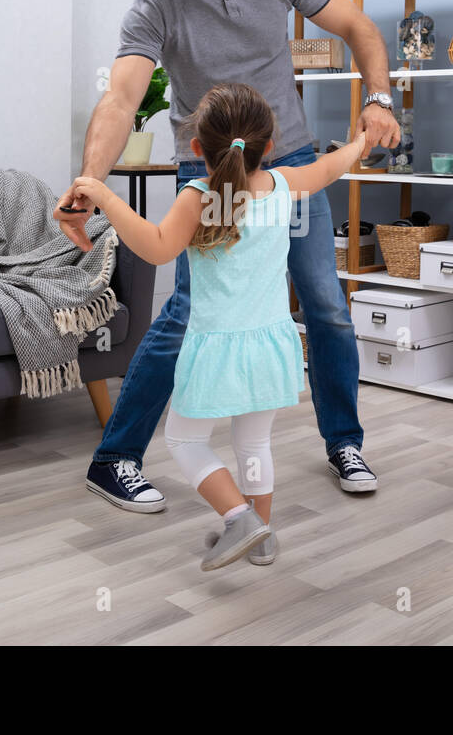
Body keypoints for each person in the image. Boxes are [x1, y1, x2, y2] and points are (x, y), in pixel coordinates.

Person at [56, 0, 401, 513]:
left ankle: (345, 442)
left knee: (324, 305)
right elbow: (123, 95)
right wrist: (88, 181)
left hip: (287, 161)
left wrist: (380, 98)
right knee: (190, 312)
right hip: (207, 172)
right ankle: (117, 457)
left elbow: (358, 28)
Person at [71, 83, 370, 569]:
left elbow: (156, 247)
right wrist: (359, 143)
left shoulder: (198, 195)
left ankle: (239, 519)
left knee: (185, 440)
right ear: (269, 147)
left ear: (196, 150)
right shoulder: (284, 185)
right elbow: (331, 166)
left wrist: (103, 193)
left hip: (215, 352)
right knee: (253, 443)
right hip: (273, 346)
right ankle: (263, 537)